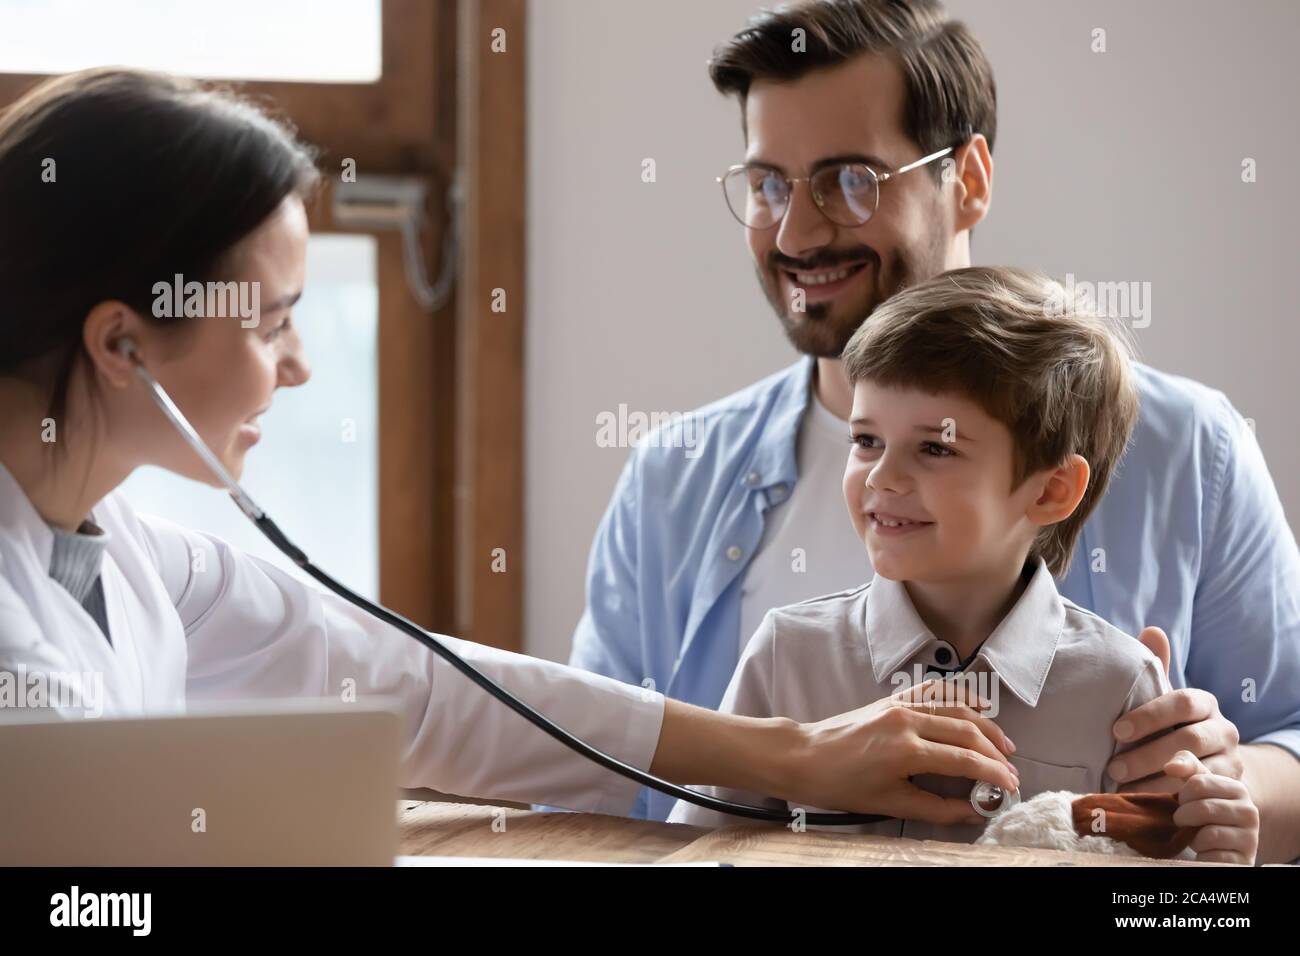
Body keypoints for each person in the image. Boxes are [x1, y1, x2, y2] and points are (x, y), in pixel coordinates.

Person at [0, 67, 1021, 824]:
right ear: (123, 342)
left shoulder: (118, 553)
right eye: (271, 321)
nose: (298, 364)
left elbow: (421, 685)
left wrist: (794, 752)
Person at [569, 0, 1300, 862]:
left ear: (970, 178)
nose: (797, 232)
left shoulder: (1190, 453)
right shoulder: (672, 477)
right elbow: (590, 781)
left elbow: (1286, 738)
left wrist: (1222, 788)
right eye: (769, 184)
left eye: (849, 180)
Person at [665, 267, 1259, 865]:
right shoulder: (786, 656)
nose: (880, 477)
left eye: (935, 448)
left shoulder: (1121, 689)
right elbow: (689, 854)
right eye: (866, 439)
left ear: (1052, 491)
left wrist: (1215, 855)